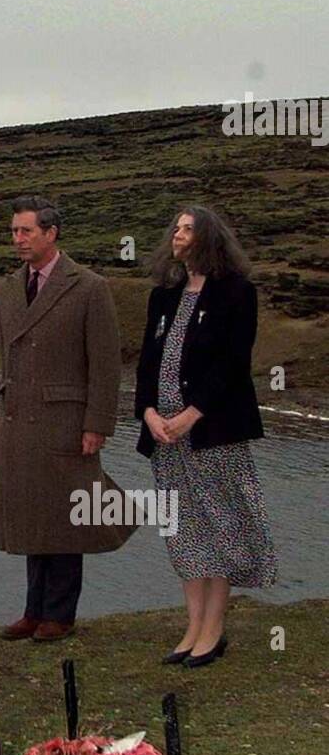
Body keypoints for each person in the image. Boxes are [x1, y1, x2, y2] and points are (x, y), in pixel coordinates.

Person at [135, 206, 276, 667]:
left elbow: (234, 365)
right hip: (166, 438)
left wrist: (191, 414)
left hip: (212, 432)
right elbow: (146, 365)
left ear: (209, 238)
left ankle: (213, 631)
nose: (177, 235)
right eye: (174, 227)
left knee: (221, 527)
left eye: (187, 229)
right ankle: (192, 626)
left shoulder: (236, 293)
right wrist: (151, 414)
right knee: (184, 532)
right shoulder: (164, 295)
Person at [0, 196, 132, 641]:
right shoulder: (11, 287)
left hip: (66, 421)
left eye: (26, 231)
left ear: (51, 234)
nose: (18, 240)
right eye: (14, 232)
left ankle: (60, 615)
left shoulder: (89, 287)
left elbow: (105, 365)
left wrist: (97, 424)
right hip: (18, 419)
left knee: (69, 517)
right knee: (34, 514)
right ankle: (33, 611)